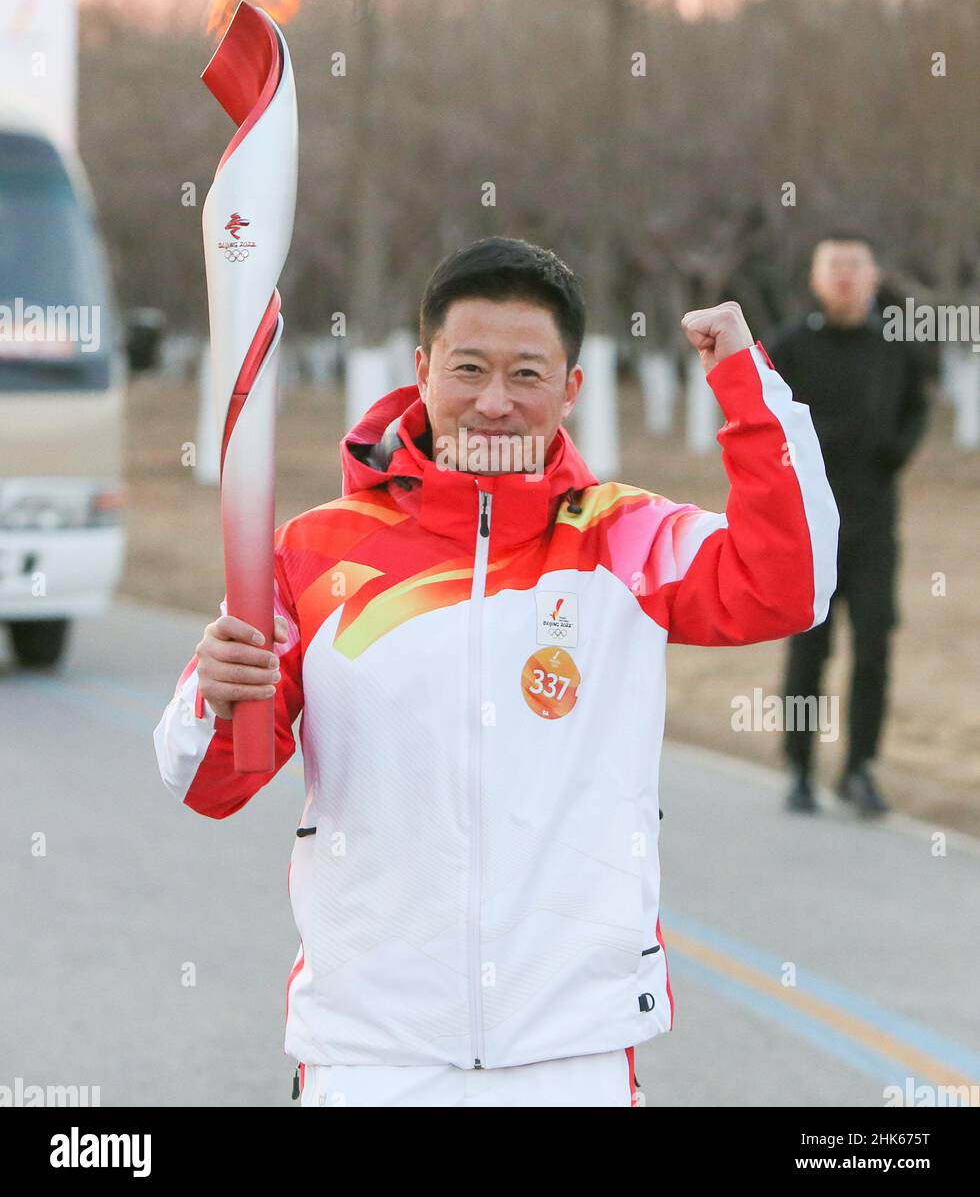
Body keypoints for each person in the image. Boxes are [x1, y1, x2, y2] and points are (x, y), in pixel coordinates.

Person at [153, 236, 839, 1107]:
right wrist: (212, 699)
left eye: (526, 375)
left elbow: (794, 583)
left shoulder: (623, 539)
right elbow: (210, 781)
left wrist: (747, 384)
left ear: (571, 390)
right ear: (423, 369)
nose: (493, 403)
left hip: (570, 1051)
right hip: (373, 1051)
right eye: (468, 368)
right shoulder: (315, 553)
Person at [766, 233, 932, 818]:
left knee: (874, 646)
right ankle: (800, 769)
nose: (843, 277)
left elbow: (920, 403)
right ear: (816, 277)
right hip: (808, 527)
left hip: (873, 522)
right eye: (833, 266)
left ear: (872, 274)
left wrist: (897, 451)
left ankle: (859, 768)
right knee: (808, 647)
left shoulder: (898, 343)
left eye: (854, 265)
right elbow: (764, 419)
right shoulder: (790, 345)